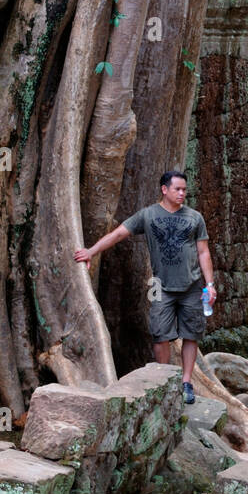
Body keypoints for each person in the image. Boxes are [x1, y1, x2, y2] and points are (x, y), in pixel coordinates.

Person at [74, 171, 215, 405]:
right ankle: (165, 380)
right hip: (161, 286)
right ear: (164, 189)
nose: (182, 194)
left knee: (191, 334)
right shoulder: (148, 215)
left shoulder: (194, 218)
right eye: (177, 189)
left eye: (184, 190)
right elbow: (119, 233)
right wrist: (91, 251)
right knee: (160, 335)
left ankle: (186, 382)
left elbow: (203, 252)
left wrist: (209, 285)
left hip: (192, 286)